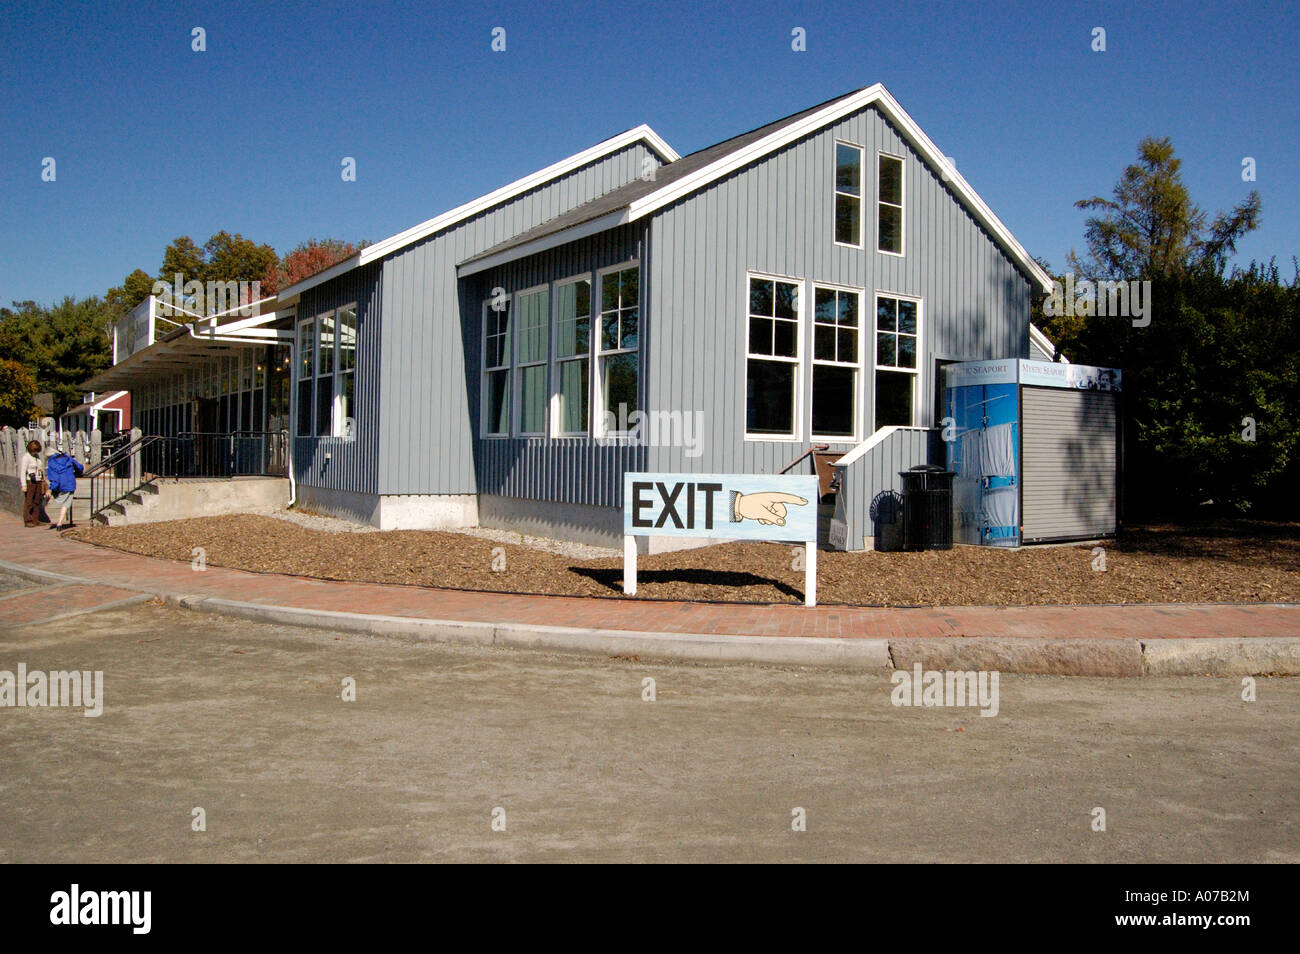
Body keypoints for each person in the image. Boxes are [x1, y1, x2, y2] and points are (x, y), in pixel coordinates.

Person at [44, 448, 84, 530]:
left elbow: (54, 477)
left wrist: (50, 488)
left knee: (58, 498)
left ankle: (44, 503)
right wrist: (78, 472)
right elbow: (79, 466)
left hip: (59, 485)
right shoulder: (67, 457)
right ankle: (60, 522)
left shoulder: (51, 462)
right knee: (66, 504)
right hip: (70, 483)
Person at [21, 440, 46, 527]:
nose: (35, 452)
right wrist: (23, 484)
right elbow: (22, 472)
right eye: (34, 450)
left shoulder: (37, 456)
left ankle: (35, 520)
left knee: (36, 501)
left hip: (38, 480)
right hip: (30, 481)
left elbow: (39, 465)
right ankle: (27, 520)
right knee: (29, 501)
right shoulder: (26, 457)